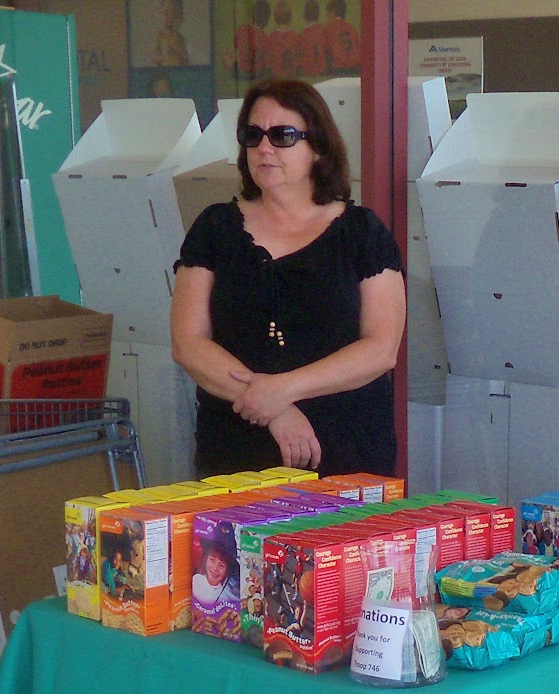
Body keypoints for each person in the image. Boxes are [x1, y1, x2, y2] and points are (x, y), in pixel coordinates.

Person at [171, 78, 405, 477]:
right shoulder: (214, 228)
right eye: (253, 135)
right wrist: (273, 409)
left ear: (318, 148)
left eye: (283, 136)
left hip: (346, 447)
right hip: (236, 447)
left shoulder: (363, 233)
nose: (264, 148)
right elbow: (188, 343)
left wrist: (285, 390)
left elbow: (381, 349)